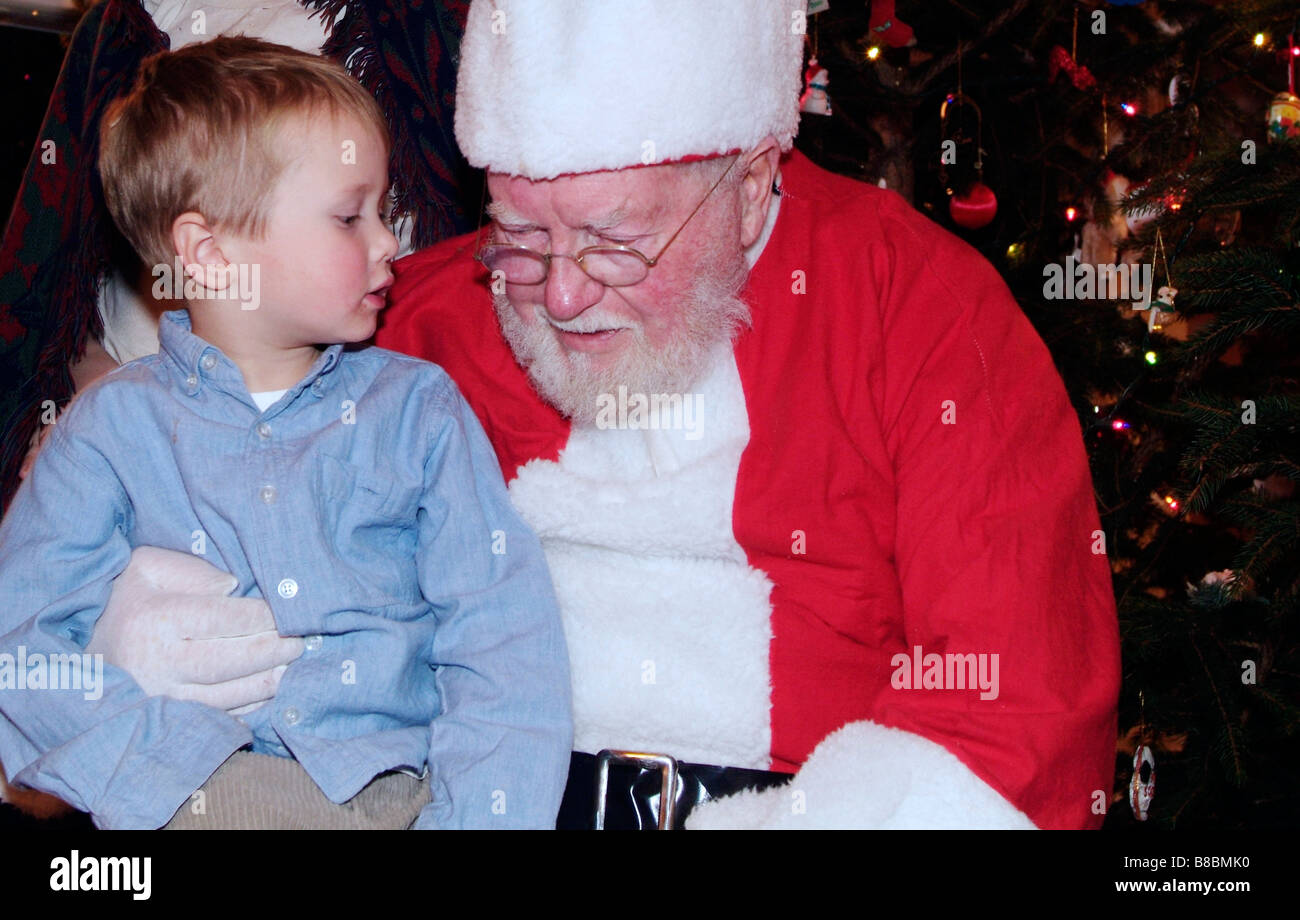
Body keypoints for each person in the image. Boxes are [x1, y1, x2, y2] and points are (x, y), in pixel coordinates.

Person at [52, 0, 1120, 829]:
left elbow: (1014, 717)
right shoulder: (423, 318)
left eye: (616, 243)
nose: (558, 293)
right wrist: (114, 635)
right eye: (517, 234)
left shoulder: (922, 312)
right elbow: (214, 491)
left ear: (750, 185)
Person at [0, 36, 571, 830]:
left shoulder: (417, 413)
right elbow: (19, 645)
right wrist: (145, 757)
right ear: (210, 252)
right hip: (188, 794)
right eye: (349, 215)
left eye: (384, 208)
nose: (387, 242)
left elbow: (504, 642)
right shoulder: (109, 431)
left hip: (395, 797)